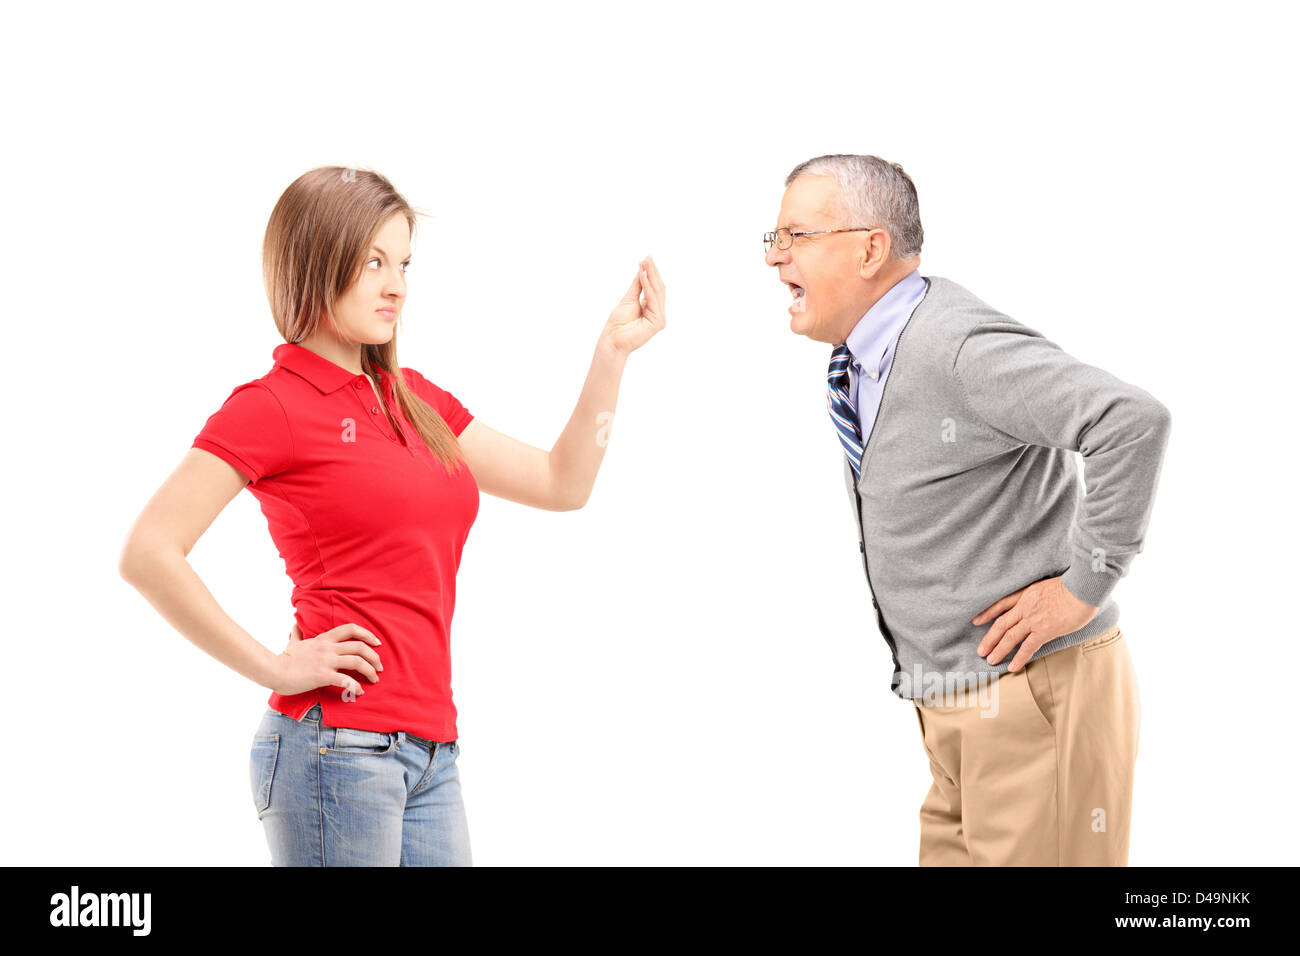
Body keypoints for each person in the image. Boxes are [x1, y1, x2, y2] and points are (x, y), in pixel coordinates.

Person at [118, 166, 666, 865]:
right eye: (373, 260)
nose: (397, 285)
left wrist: (612, 355)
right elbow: (149, 551)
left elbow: (563, 483)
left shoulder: (415, 400)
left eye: (404, 262)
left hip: (432, 750)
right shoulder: (272, 405)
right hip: (334, 748)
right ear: (316, 259)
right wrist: (275, 668)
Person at [764, 154, 1171, 865]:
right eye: (771, 239)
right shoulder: (861, 360)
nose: (774, 258)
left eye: (794, 236)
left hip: (1032, 698)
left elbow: (1129, 421)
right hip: (952, 714)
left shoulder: (952, 346)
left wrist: (1083, 589)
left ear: (869, 249)